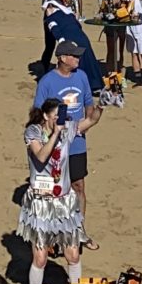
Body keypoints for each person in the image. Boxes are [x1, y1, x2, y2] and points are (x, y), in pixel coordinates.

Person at [16, 95, 84, 284]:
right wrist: (56, 133)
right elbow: (42, 156)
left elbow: (90, 120)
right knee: (41, 257)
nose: (60, 121)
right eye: (56, 117)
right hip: (41, 205)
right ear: (46, 116)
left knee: (73, 254)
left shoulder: (67, 129)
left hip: (63, 203)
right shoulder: (33, 133)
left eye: (61, 117)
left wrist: (101, 104)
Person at [30, 36, 100, 243]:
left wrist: (86, 123)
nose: (78, 59)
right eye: (74, 55)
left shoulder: (82, 77)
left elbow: (88, 103)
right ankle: (54, 233)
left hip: (77, 142)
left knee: (78, 186)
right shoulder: (47, 82)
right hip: (55, 144)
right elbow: (37, 113)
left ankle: (78, 229)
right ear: (61, 58)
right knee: (56, 190)